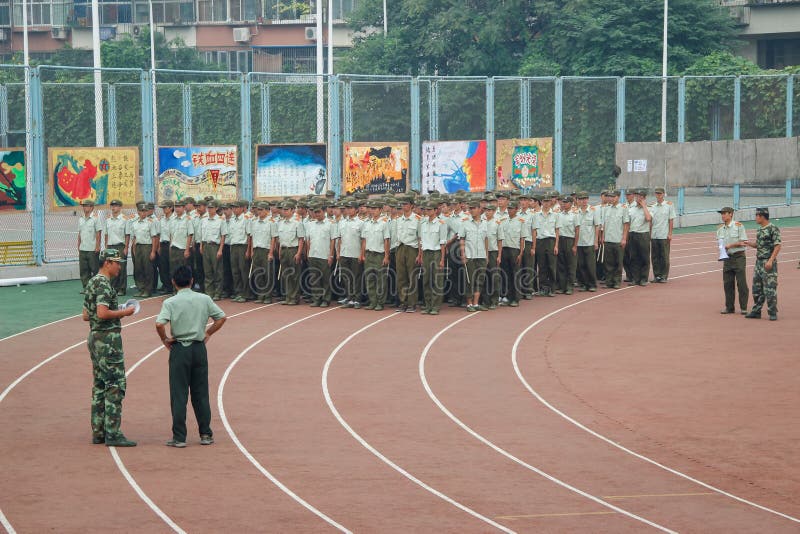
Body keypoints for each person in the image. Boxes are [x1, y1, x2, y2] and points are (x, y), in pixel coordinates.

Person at [156, 265, 227, 448]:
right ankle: (205, 433)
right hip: (198, 348)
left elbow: (159, 324)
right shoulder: (204, 299)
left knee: (179, 394)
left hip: (179, 349)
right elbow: (221, 318)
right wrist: (208, 333)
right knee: (201, 392)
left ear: (173, 282)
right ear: (192, 281)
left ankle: (179, 437)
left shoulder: (170, 303)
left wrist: (165, 339)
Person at [82, 248, 137, 447]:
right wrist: (124, 312)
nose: (119, 266)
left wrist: (111, 311)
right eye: (117, 262)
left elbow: (86, 315)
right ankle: (113, 433)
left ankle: (99, 431)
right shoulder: (103, 284)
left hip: (94, 337)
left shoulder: (91, 282)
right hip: (108, 341)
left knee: (99, 384)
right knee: (115, 385)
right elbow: (103, 313)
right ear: (107, 263)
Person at [745, 208, 781, 321]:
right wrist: (749, 243)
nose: (755, 217)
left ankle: (772, 312)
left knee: (770, 289)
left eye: (756, 215)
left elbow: (778, 245)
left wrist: (770, 260)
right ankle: (756, 311)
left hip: (768, 262)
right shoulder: (760, 230)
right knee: (756, 289)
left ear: (762, 216)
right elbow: (759, 245)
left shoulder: (773, 228)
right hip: (759, 262)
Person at [716, 207, 749, 315]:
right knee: (727, 284)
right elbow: (720, 245)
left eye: (724, 213)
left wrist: (731, 245)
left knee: (741, 283)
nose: (722, 216)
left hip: (738, 257)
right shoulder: (720, 229)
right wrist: (721, 253)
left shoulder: (738, 226)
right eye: (722, 214)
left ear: (731, 214)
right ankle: (729, 307)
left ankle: (744, 307)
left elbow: (743, 242)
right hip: (727, 258)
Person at [395, 195, 423, 313]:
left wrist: (419, 254)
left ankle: (412, 303)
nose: (404, 206)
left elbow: (420, 238)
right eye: (402, 204)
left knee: (412, 277)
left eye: (406, 204)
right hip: (401, 248)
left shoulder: (417, 219)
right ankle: (403, 302)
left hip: (412, 249)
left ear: (412, 205)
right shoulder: (399, 220)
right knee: (401, 277)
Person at [459, 201, 488, 312]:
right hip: (469, 256)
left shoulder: (485, 223)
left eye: (474, 208)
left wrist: (486, 255)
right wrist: (463, 254)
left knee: (480, 280)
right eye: (470, 208)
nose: (472, 210)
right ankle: (469, 304)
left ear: (479, 209)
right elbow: (462, 239)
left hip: (481, 255)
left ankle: (476, 303)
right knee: (469, 279)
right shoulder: (465, 223)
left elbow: (486, 239)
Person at [419, 201, 447, 315]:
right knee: (426, 280)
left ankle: (435, 306)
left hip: (436, 253)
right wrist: (420, 255)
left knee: (437, 280)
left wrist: (442, 259)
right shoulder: (423, 223)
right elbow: (421, 241)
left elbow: (443, 243)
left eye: (430, 209)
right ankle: (428, 304)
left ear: (435, 210)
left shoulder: (441, 223)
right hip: (426, 253)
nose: (427, 211)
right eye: (426, 209)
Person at [130, 201, 160, 298]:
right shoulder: (134, 223)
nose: (143, 213)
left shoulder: (150, 223)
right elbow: (134, 238)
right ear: (138, 212)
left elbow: (154, 238)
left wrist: (153, 251)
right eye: (141, 211)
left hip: (147, 247)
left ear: (147, 212)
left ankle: (148, 290)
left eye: (145, 211)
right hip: (138, 247)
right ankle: (141, 288)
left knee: (148, 269)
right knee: (138, 269)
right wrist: (134, 250)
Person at [627, 189, 653, 286]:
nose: (638, 198)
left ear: (644, 198)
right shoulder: (631, 209)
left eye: (640, 196)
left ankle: (643, 278)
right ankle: (635, 278)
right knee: (633, 257)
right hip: (633, 234)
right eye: (637, 196)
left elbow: (648, 218)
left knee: (644, 257)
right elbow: (628, 223)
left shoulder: (649, 208)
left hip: (643, 234)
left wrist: (644, 206)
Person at [104, 199, 130, 295]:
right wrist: (106, 246)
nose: (113, 208)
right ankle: (113, 287)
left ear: (120, 207)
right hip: (110, 246)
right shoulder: (108, 219)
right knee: (111, 267)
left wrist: (126, 247)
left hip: (120, 246)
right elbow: (106, 234)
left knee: (121, 268)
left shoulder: (124, 219)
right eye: (112, 206)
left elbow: (127, 234)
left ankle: (122, 288)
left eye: (115, 206)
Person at [649, 187, 675, 282]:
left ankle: (664, 276)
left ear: (664, 194)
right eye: (657, 194)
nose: (658, 195)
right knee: (655, 257)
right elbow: (650, 221)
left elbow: (671, 220)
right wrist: (650, 234)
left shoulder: (669, 205)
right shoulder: (652, 206)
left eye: (660, 194)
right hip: (654, 235)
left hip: (664, 235)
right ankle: (657, 276)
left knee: (664, 256)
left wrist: (670, 233)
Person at [77, 199, 102, 292]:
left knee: (94, 269)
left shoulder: (95, 218)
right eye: (84, 206)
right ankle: (86, 288)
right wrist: (78, 245)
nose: (85, 208)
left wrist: (97, 246)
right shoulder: (81, 218)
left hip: (92, 249)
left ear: (92, 207)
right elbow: (80, 233)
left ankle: (95, 288)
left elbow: (98, 233)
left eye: (87, 206)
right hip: (83, 248)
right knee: (83, 270)